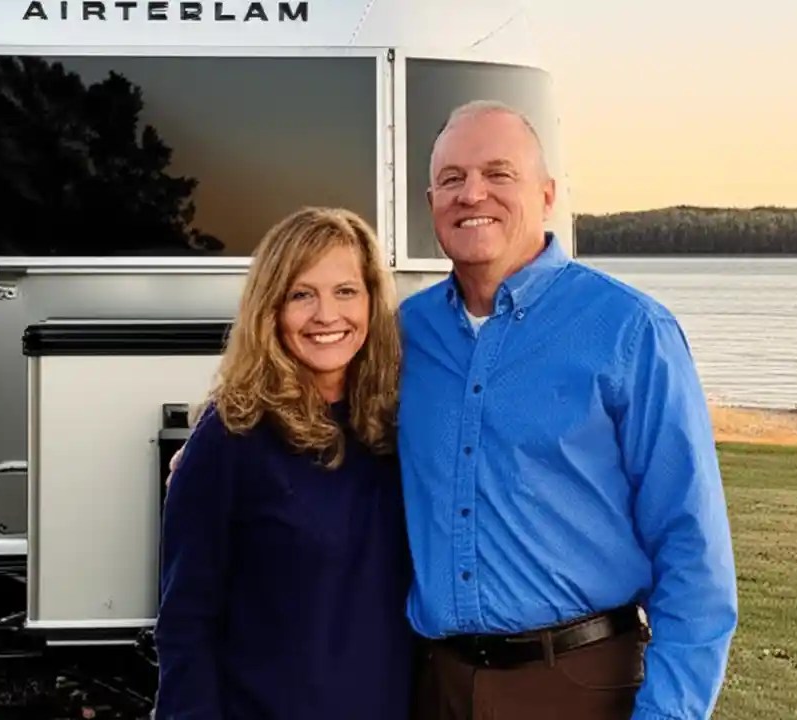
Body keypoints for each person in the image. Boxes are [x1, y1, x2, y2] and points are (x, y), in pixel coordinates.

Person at [398, 100, 738, 719]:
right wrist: (212, 441)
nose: (473, 193)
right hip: (435, 689)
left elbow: (692, 551)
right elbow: (300, 394)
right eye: (452, 178)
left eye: (499, 174)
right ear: (430, 203)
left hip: (582, 687)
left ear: (548, 194)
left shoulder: (631, 331)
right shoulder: (405, 336)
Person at [152, 206, 413, 720]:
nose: (326, 315)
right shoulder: (231, 436)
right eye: (301, 294)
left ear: (372, 301)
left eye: (345, 291)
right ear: (270, 309)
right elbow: (186, 621)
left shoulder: (398, 424)